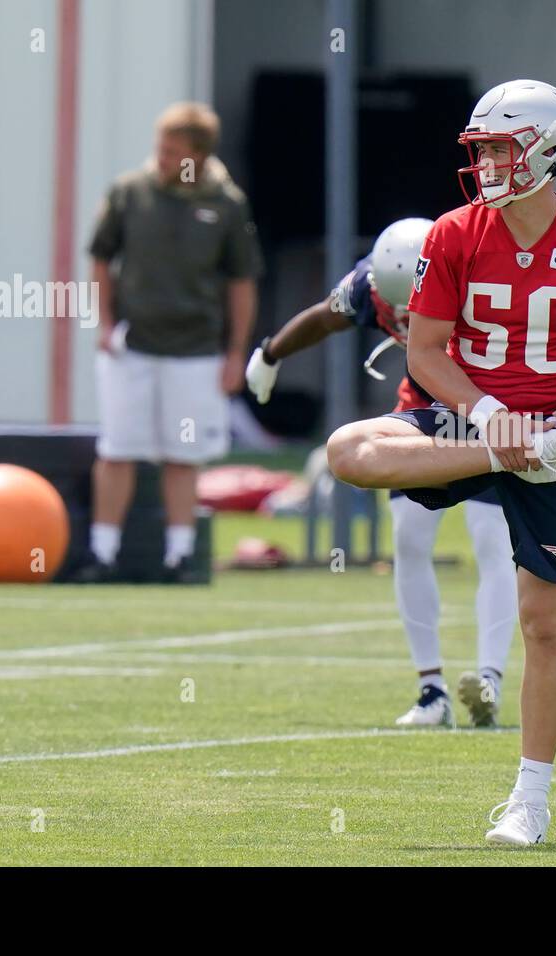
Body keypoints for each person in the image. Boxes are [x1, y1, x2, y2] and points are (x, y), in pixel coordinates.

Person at [324, 79, 556, 845]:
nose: (489, 164)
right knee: (350, 451)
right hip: (480, 420)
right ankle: (518, 454)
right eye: (485, 150)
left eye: (502, 148)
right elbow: (426, 351)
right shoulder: (454, 233)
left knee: (544, 622)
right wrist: (498, 422)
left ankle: (529, 802)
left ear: (548, 150)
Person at [246, 217, 518, 728]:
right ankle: (431, 691)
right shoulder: (371, 285)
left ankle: (490, 679)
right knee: (411, 541)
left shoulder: (480, 272)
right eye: (394, 309)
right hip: (422, 415)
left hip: (489, 410)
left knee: (491, 540)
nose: (400, 318)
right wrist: (270, 352)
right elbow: (325, 318)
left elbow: (550, 319)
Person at [82, 102, 262, 583]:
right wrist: (104, 323)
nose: (161, 159)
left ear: (198, 155)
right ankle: (103, 554)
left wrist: (235, 352)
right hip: (132, 346)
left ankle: (179, 556)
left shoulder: (227, 205)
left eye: (172, 152)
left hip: (196, 351)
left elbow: (241, 282)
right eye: (160, 149)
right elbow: (100, 257)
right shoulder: (128, 192)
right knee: (117, 449)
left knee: (183, 455)